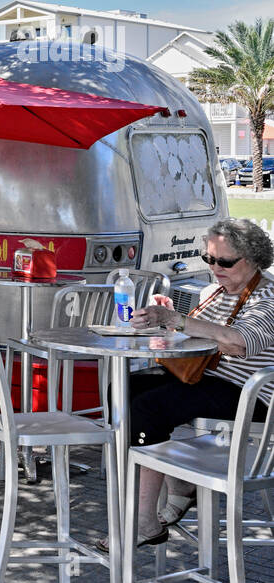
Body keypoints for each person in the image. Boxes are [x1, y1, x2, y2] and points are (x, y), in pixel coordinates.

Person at [116, 218, 274, 548]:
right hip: (210, 379)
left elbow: (241, 341)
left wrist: (177, 320)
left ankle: (145, 521)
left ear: (254, 258)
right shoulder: (216, 291)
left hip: (250, 396)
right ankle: (179, 486)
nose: (215, 268)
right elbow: (200, 336)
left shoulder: (267, 297)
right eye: (209, 259)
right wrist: (172, 317)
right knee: (122, 390)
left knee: (150, 408)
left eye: (225, 261)